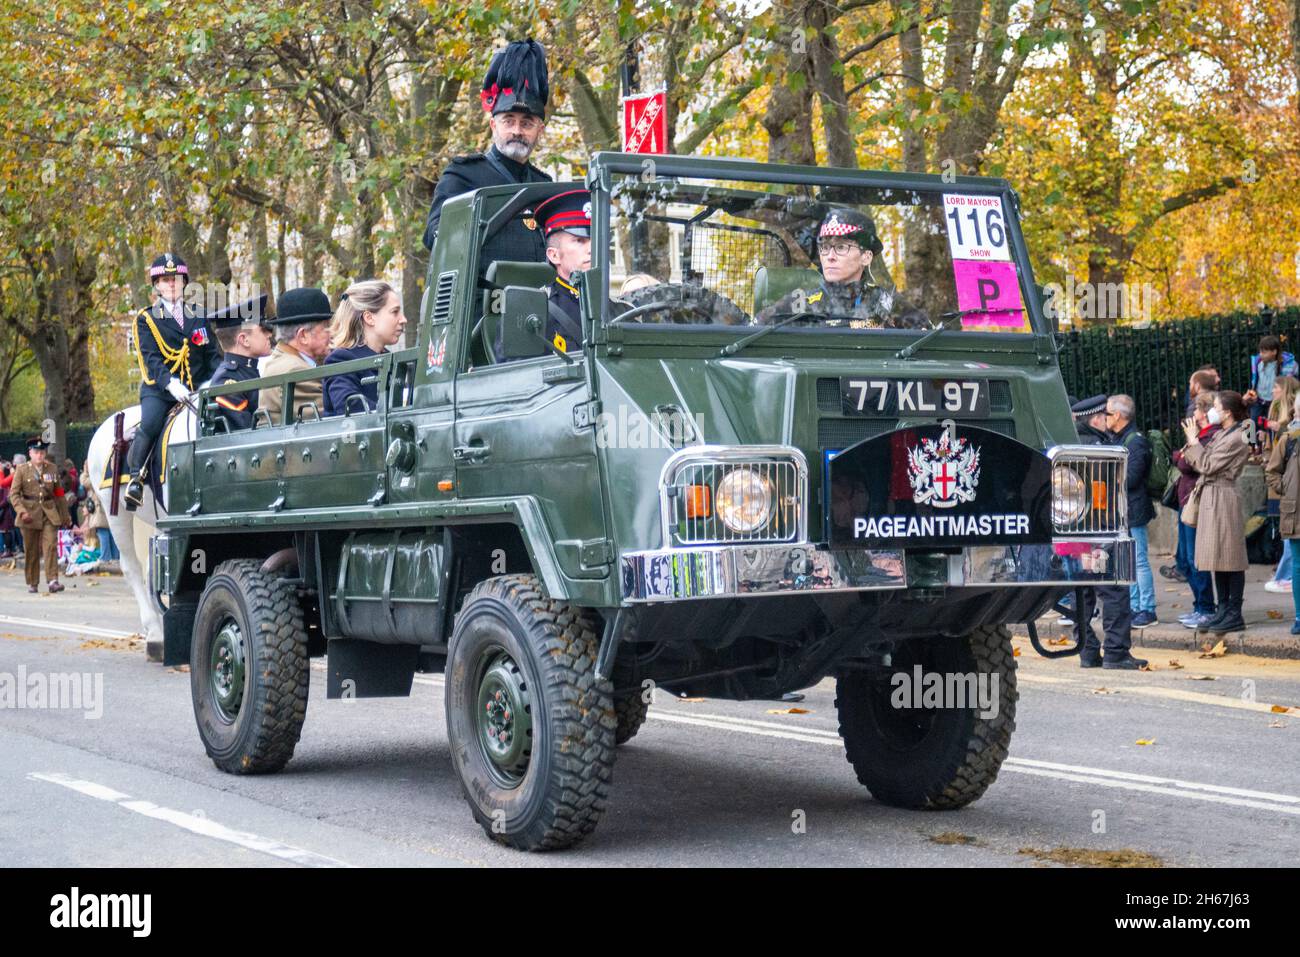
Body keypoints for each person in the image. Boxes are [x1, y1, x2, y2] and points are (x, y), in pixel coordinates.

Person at [422, 39, 551, 267]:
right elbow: (437, 235)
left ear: (539, 130)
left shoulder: (544, 185)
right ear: (493, 125)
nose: (516, 131)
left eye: (527, 123)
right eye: (508, 121)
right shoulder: (463, 176)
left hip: (538, 300)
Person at [125, 253, 220, 509]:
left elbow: (211, 355)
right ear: (156, 285)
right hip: (161, 390)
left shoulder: (198, 315)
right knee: (153, 422)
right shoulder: (147, 319)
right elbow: (151, 360)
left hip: (197, 389)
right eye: (166, 280)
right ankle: (136, 477)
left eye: (176, 279)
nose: (172, 284)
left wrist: (216, 382)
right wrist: (171, 384)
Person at [1069, 395, 1146, 669]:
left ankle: (1088, 651)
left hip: (1073, 536)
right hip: (1098, 532)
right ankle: (1116, 651)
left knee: (1083, 594)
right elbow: (1107, 492)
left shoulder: (1069, 444)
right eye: (1104, 417)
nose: (1107, 421)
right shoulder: (1100, 449)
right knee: (1113, 591)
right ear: (1096, 419)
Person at [757, 208, 904, 327]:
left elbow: (924, 345)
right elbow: (750, 333)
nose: (830, 256)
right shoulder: (799, 304)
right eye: (825, 247)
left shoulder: (887, 303)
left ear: (866, 257)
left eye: (841, 247)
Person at [1181, 390, 1252, 634]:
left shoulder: (1240, 435)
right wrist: (1195, 443)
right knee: (1217, 557)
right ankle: (1223, 610)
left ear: (1228, 412)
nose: (1213, 410)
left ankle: (1234, 612)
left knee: (1230, 557)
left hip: (1223, 496)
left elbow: (1207, 464)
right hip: (1212, 495)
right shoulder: (1224, 432)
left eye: (1217, 406)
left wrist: (1193, 441)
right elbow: (1193, 461)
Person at [1170, 392, 1220, 629]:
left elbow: (1185, 463)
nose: (1194, 415)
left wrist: (1188, 446)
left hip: (1194, 500)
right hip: (1185, 500)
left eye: (1198, 410)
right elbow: (1179, 458)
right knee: (1185, 559)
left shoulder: (1209, 435)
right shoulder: (1199, 435)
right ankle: (1199, 604)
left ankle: (1206, 607)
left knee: (1194, 558)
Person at [322, 280, 407, 416]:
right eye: (395, 312)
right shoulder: (341, 360)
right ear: (369, 317)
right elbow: (350, 407)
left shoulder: (388, 358)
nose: (403, 319)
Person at [1107, 394, 1156, 625]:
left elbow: (1133, 477)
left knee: (1139, 561)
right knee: (1128, 561)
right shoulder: (1120, 438)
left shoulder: (1135, 441)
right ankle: (1135, 606)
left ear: (1117, 415)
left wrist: (1106, 480)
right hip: (1123, 510)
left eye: (1107, 413)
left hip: (1133, 510)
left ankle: (1147, 608)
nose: (1105, 418)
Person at [526, 188, 590, 357]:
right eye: (580, 241)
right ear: (554, 255)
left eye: (596, 240)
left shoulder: (619, 308)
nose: (592, 249)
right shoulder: (533, 312)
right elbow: (515, 378)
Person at [259, 288, 333, 424]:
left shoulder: (286, 360)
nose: (331, 333)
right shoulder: (295, 370)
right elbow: (330, 417)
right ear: (303, 335)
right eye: (326, 328)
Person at [11, 438, 70, 594]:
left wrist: (65, 516)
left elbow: (58, 494)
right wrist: (22, 512)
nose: (39, 455)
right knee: (31, 550)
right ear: (30, 453)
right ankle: (33, 581)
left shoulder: (52, 468)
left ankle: (53, 580)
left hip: (49, 513)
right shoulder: (22, 470)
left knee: (50, 546)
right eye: (36, 452)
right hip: (29, 514)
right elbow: (14, 495)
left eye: (42, 452)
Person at [208, 302, 275, 432]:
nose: (269, 335)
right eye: (263, 330)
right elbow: (246, 435)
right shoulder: (227, 382)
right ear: (244, 340)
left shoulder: (251, 370)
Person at [1265, 390, 1300, 635]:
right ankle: (1299, 616)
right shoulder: (1289, 440)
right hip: (1295, 510)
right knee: (1297, 566)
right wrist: (1286, 489)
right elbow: (1272, 471)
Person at [1245, 335, 1298, 425]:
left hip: (1276, 402)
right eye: (1260, 352)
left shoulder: (1287, 365)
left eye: (1264, 352)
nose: (1261, 354)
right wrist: (1252, 392)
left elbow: (1292, 383)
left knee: (1272, 426)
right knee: (1253, 425)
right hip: (1259, 401)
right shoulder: (1258, 363)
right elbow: (1257, 381)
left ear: (1274, 352)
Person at [78, 461, 118, 563]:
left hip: (100, 509)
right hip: (105, 508)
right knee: (109, 532)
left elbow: (84, 482)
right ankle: (115, 557)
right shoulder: (104, 474)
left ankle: (105, 557)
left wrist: (86, 471)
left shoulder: (96, 477)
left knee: (102, 532)